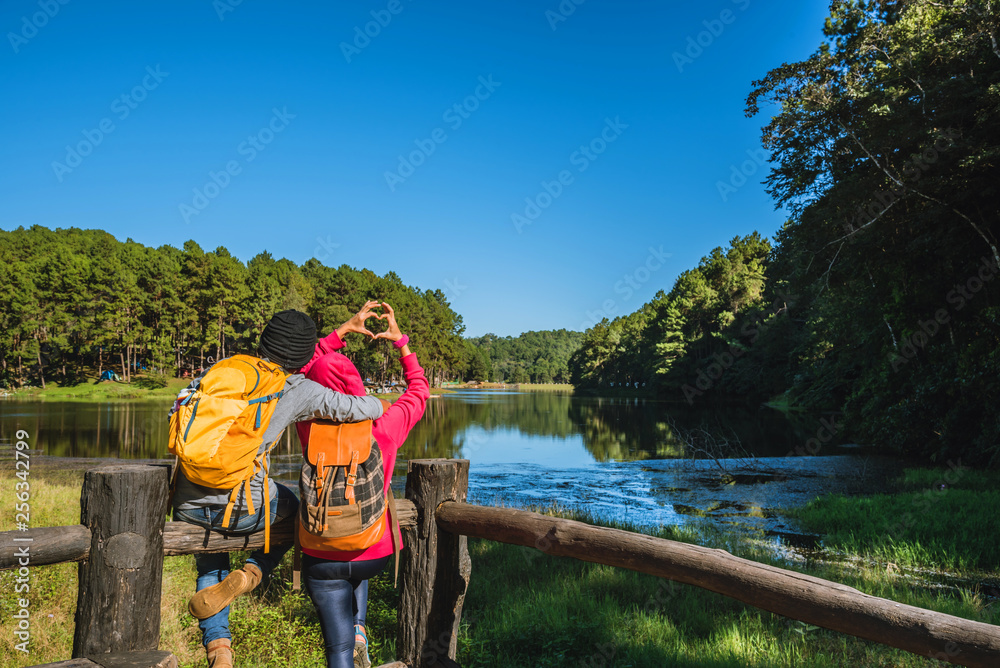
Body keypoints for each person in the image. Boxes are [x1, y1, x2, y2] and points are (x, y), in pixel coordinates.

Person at [171, 306, 389, 668]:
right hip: (245, 508)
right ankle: (254, 570)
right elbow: (354, 407)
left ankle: (219, 650)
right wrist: (384, 404)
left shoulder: (226, 369)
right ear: (303, 356)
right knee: (300, 511)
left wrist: (339, 333)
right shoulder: (298, 389)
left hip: (188, 503)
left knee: (209, 563)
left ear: (263, 342)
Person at [297, 302, 430, 668]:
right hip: (375, 552)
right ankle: (359, 628)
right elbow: (419, 389)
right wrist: (401, 343)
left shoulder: (306, 422)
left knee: (336, 651)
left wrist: (341, 332)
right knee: (360, 540)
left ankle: (350, 637)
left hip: (322, 552)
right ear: (358, 385)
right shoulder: (385, 423)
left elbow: (301, 368)